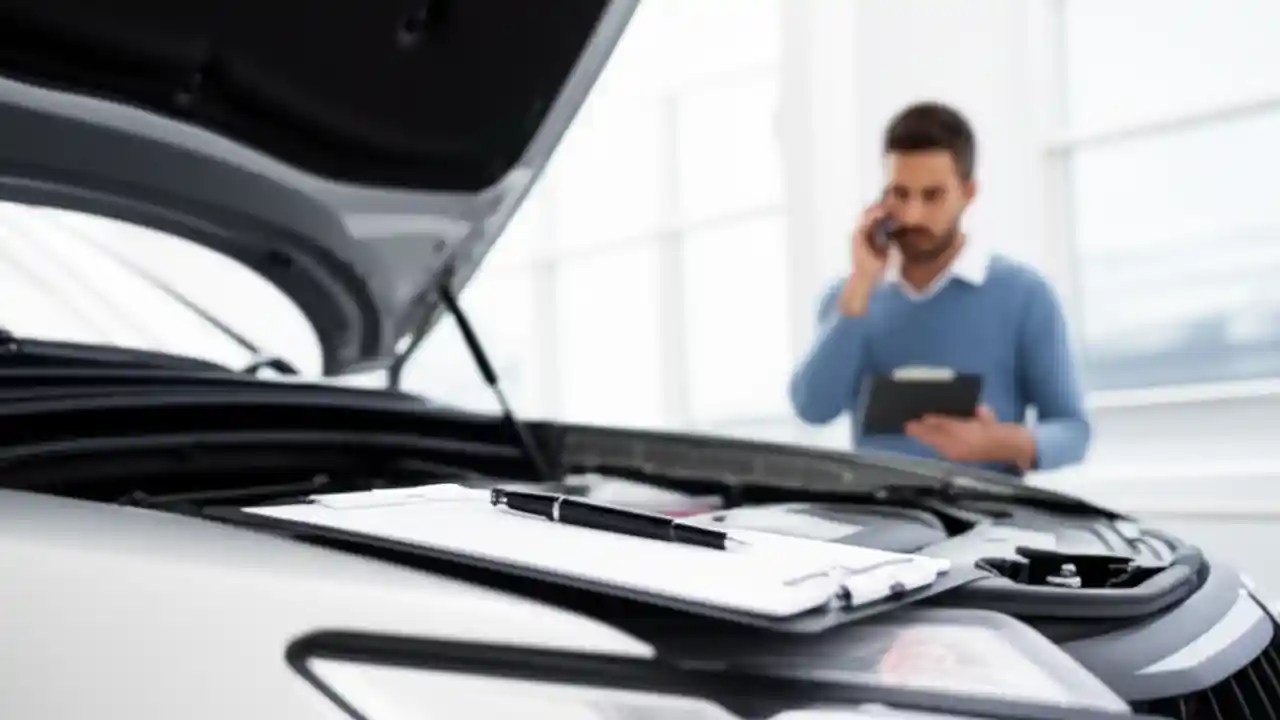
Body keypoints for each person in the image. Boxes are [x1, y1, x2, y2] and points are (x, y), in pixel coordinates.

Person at [788, 101, 1090, 475]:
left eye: (932, 196)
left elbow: (1074, 431)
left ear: (968, 192)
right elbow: (812, 409)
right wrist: (861, 284)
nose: (913, 215)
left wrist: (999, 443)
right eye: (899, 194)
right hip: (881, 518)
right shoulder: (850, 294)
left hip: (988, 521)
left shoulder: (1024, 294)